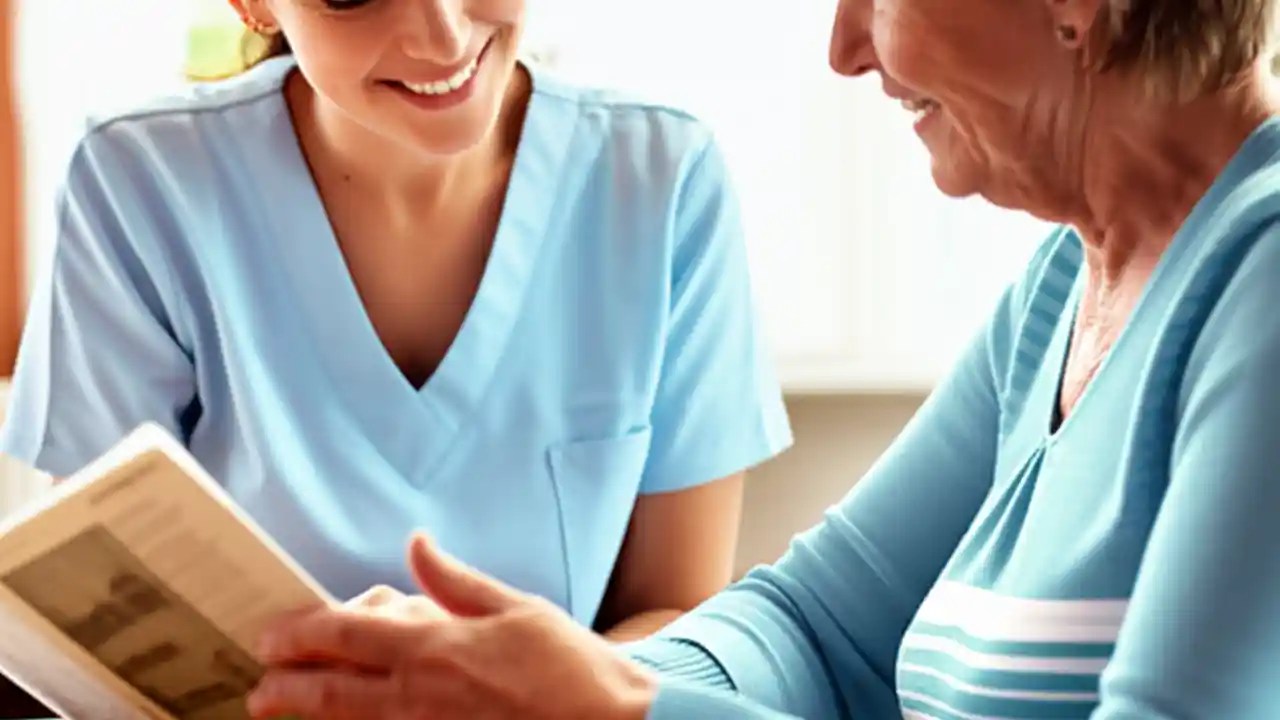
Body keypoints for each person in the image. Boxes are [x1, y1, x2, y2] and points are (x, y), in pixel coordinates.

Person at [242, 0, 1280, 717]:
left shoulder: (1261, 284)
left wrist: (612, 707)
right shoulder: (1067, 286)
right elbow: (818, 633)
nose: (845, 47)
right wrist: (499, 678)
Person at [0, 0, 792, 642]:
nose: (442, 34)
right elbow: (112, 619)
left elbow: (678, 618)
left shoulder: (661, 179)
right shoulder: (139, 182)